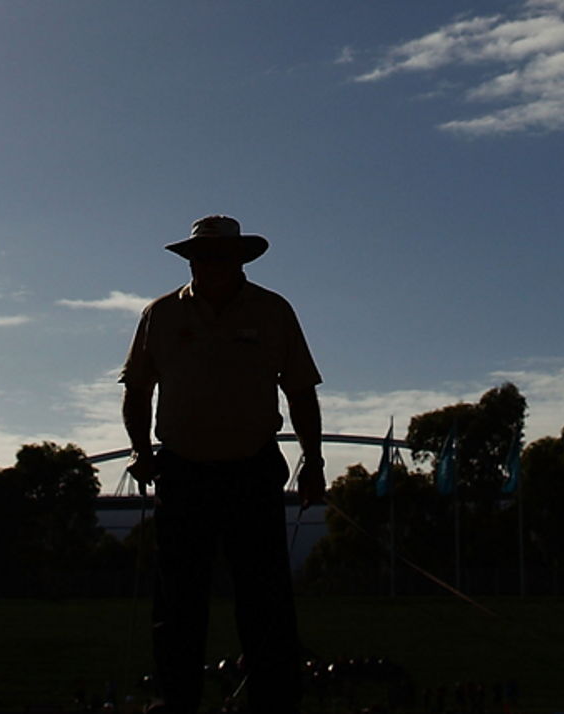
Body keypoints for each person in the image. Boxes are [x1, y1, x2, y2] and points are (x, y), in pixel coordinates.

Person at [121, 215, 327, 713]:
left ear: (241, 259)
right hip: (182, 474)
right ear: (190, 259)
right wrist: (140, 449)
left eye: (222, 255)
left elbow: (300, 391)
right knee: (177, 605)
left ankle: (275, 702)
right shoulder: (160, 314)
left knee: (266, 601)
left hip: (252, 472)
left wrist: (314, 461)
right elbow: (137, 390)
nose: (211, 264)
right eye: (203, 255)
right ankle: (176, 702)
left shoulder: (274, 311)